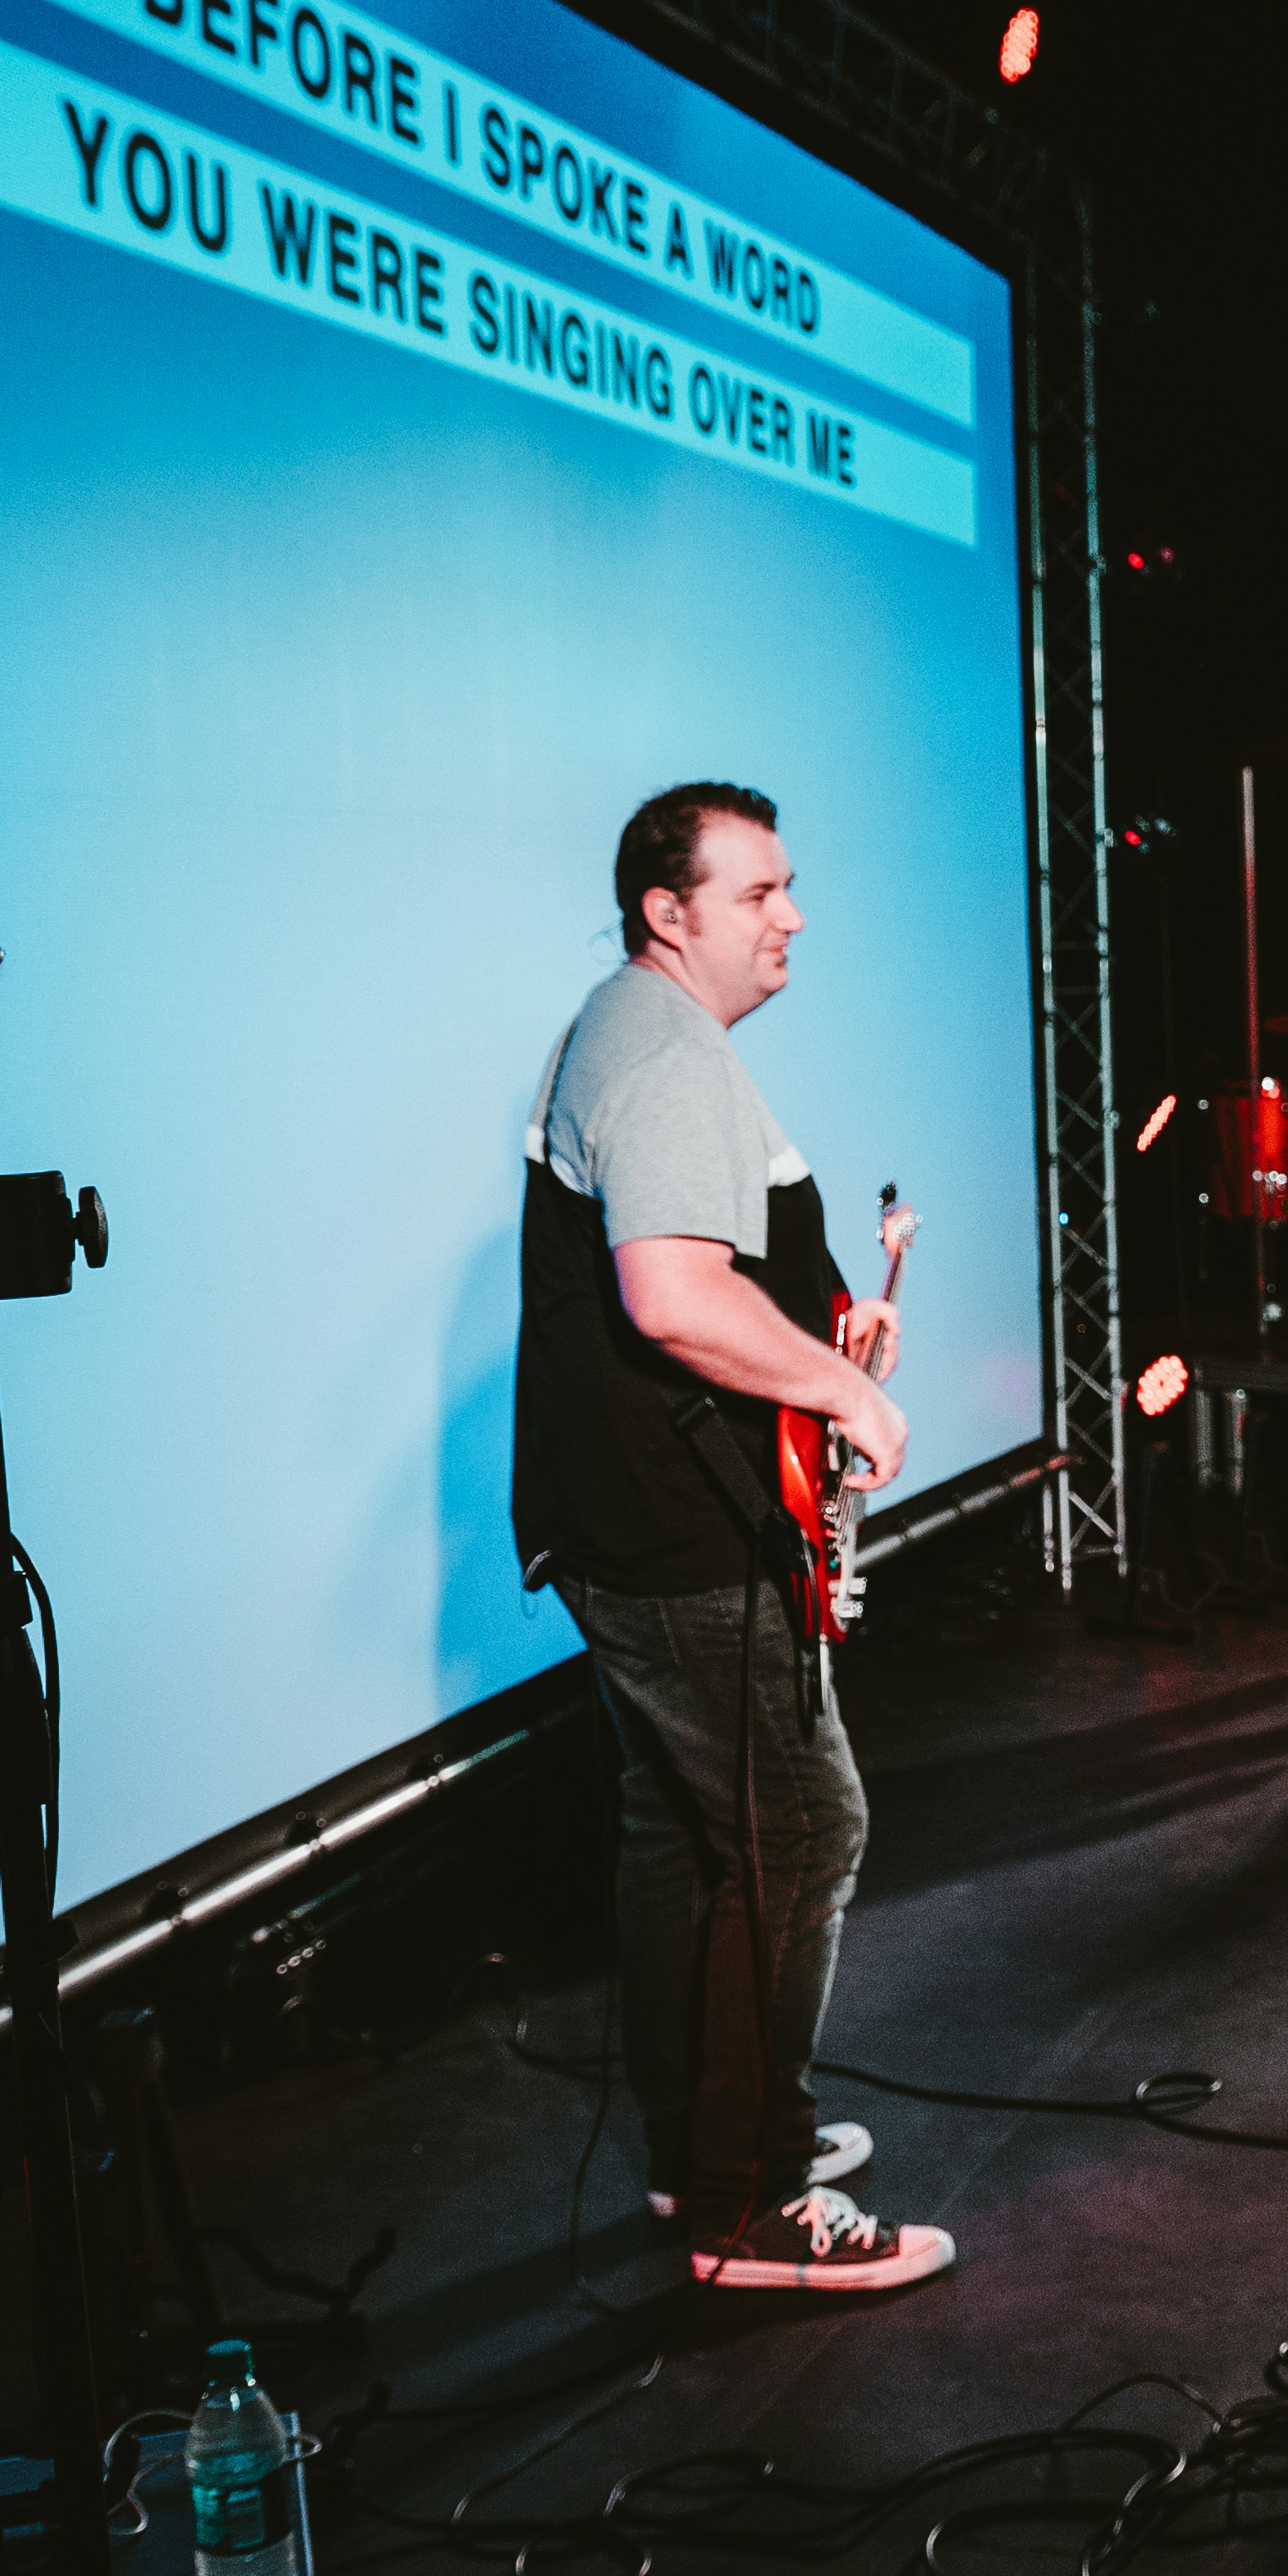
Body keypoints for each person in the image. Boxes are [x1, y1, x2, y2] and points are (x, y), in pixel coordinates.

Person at [512, 781, 954, 2293]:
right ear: (669, 911)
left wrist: (826, 1331)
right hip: (677, 1531)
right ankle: (752, 2196)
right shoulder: (663, 1047)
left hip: (630, 1519)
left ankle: (694, 2146)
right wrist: (843, 1388)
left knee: (683, 1833)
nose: (793, 916)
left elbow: (715, 1280)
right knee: (800, 1829)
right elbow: (671, 1298)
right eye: (760, 892)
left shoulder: (632, 1032)